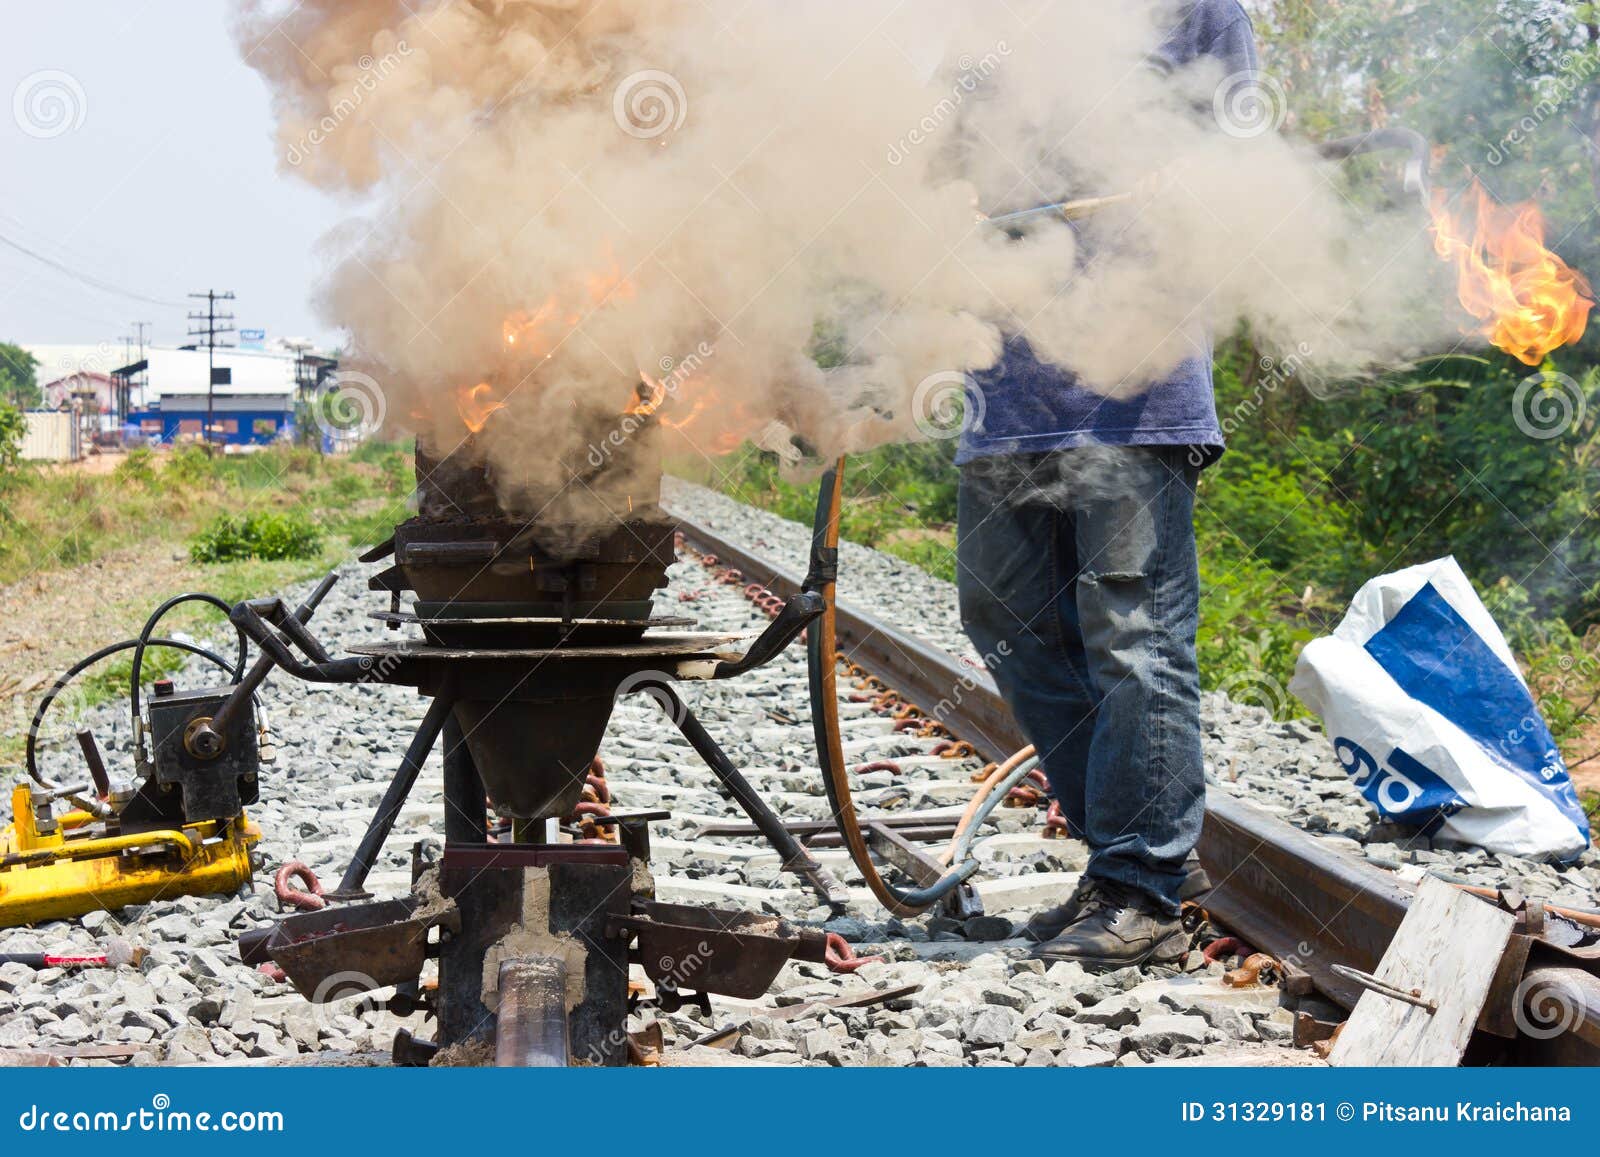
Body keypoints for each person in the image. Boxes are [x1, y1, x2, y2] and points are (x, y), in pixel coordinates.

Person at [956, 0, 1260, 971]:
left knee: (1131, 628)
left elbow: (1243, 151)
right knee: (1001, 614)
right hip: (1001, 378)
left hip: (1136, 373)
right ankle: (1136, 846)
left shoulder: (1201, 9)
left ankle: (1141, 887)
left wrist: (1192, 180)